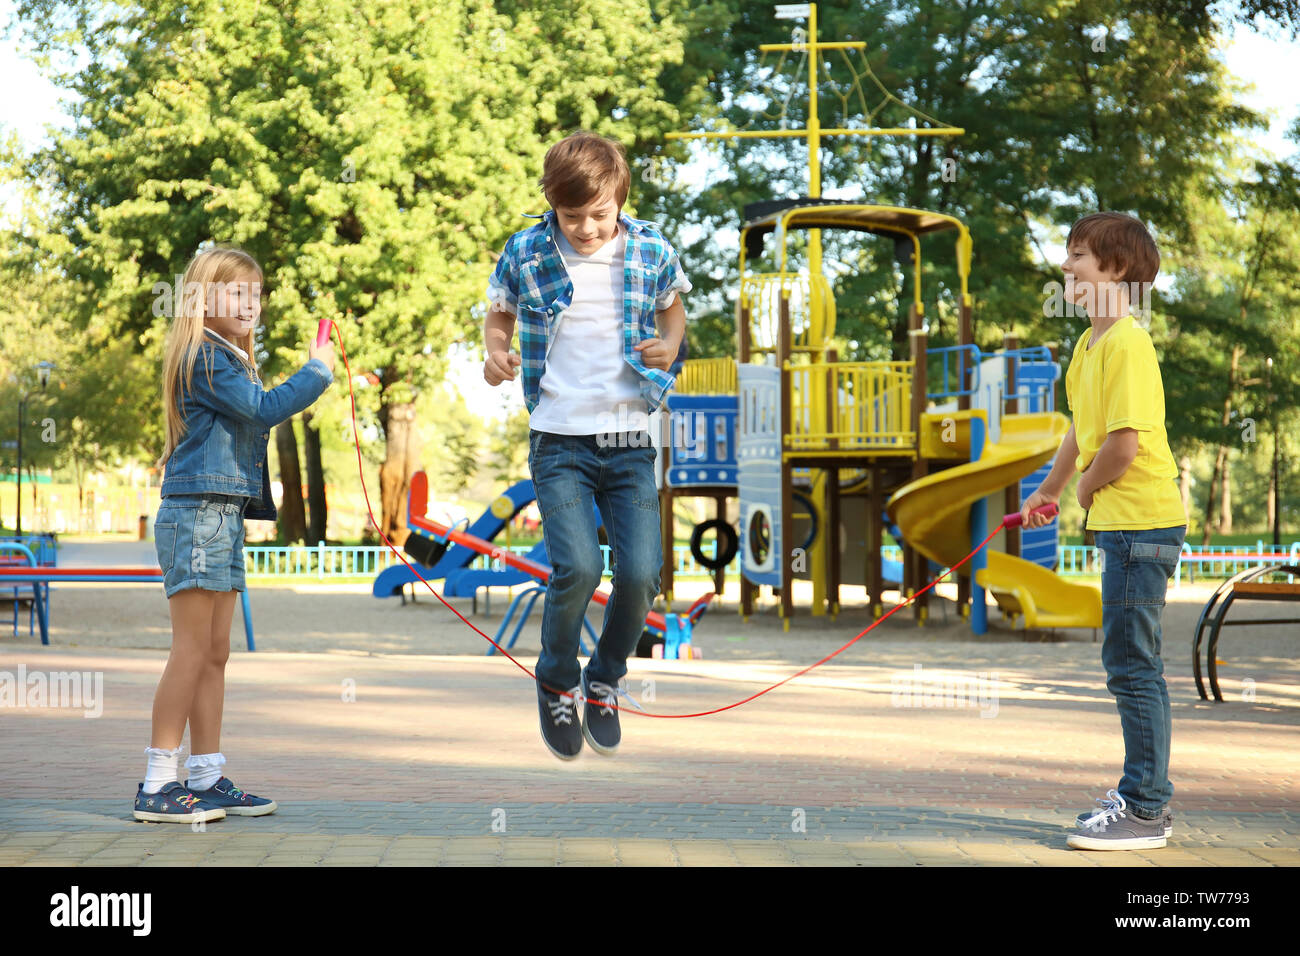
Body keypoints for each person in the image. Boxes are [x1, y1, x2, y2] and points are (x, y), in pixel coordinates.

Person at [483, 131, 690, 760]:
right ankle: (555, 677)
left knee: (640, 575)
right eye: (572, 216)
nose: (586, 228)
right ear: (551, 203)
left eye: (599, 214)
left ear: (620, 199)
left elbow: (674, 306)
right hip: (559, 439)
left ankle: (604, 678)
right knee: (577, 567)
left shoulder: (650, 246)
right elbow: (498, 314)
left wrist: (671, 345)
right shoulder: (526, 249)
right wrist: (496, 353)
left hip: (630, 438)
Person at [136, 246, 335, 823]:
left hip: (221, 513)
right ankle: (156, 783)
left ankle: (205, 775)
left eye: (256, 293)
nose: (250, 303)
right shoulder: (205, 357)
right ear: (201, 299)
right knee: (192, 649)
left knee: (216, 652)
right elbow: (261, 409)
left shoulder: (230, 357)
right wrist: (316, 370)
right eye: (236, 292)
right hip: (197, 513)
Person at [1021, 212, 1187, 850]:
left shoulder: (1128, 343)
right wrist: (1053, 487)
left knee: (1133, 666)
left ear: (1117, 269)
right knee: (1129, 663)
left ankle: (1145, 809)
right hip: (1124, 527)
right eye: (1068, 254)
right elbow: (1080, 430)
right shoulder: (1089, 345)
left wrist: (1084, 491)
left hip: (1141, 525)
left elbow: (1122, 447)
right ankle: (1141, 794)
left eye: (1079, 255)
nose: (1067, 267)